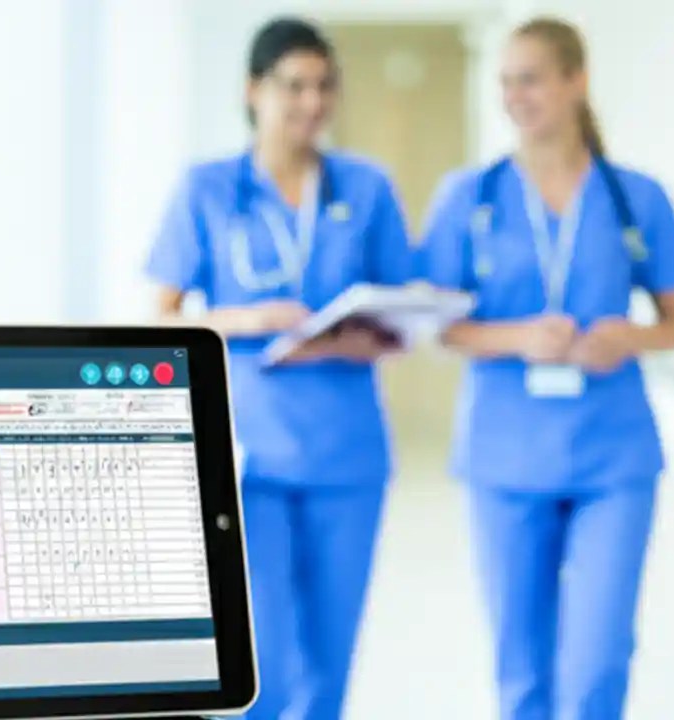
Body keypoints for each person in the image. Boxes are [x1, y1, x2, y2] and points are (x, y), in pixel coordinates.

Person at [416, 17, 674, 720]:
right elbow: (438, 328)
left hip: (614, 457)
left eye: (532, 78)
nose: (516, 95)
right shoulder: (468, 197)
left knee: (597, 660)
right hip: (505, 458)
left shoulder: (637, 197)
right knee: (521, 666)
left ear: (577, 80)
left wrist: (627, 337)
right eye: (506, 81)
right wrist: (515, 336)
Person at [145, 17, 412, 720]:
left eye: (325, 86)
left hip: (347, 455)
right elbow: (161, 321)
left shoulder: (366, 188)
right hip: (248, 457)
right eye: (294, 86)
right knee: (262, 661)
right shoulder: (207, 189)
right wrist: (248, 319)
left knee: (329, 661)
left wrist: (353, 338)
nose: (312, 103)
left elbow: (404, 318)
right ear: (254, 90)